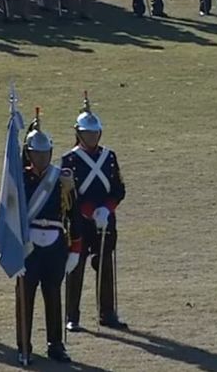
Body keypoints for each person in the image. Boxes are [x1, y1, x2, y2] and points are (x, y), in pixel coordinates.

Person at [15, 117, 81, 364]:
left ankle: (56, 344)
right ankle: (24, 346)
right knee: (25, 297)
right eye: (37, 154)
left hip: (54, 246)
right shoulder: (20, 179)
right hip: (29, 246)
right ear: (29, 154)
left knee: (53, 294)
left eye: (45, 154)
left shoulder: (61, 178)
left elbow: (74, 214)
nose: (42, 158)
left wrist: (75, 248)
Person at [61, 94, 127, 330]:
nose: (92, 137)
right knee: (75, 267)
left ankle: (107, 313)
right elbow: (68, 196)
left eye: (95, 133)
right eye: (88, 133)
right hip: (80, 222)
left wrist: (106, 210)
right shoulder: (68, 160)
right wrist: (90, 212)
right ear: (79, 134)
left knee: (105, 265)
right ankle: (71, 315)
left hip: (105, 220)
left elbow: (119, 189)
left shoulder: (109, 157)